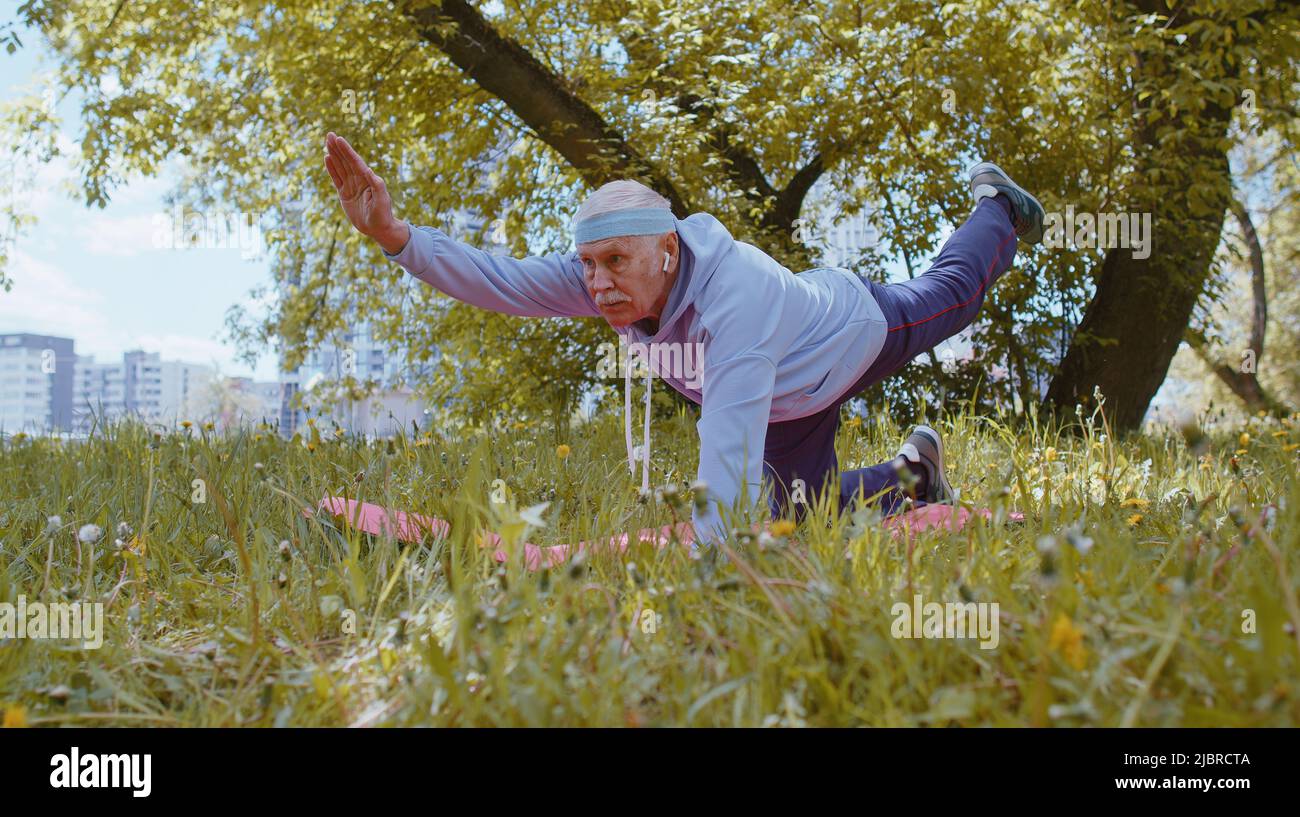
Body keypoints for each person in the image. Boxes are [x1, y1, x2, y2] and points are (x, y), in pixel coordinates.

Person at [324, 131, 1045, 544]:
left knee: (953, 297)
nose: (598, 283)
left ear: (666, 250)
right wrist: (395, 234)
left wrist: (706, 591)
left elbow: (725, 465)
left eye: (615, 264)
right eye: (588, 266)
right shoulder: (606, 275)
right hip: (787, 401)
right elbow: (501, 282)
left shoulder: (737, 306)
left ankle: (1000, 209)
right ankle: (915, 475)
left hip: (848, 331)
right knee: (802, 511)